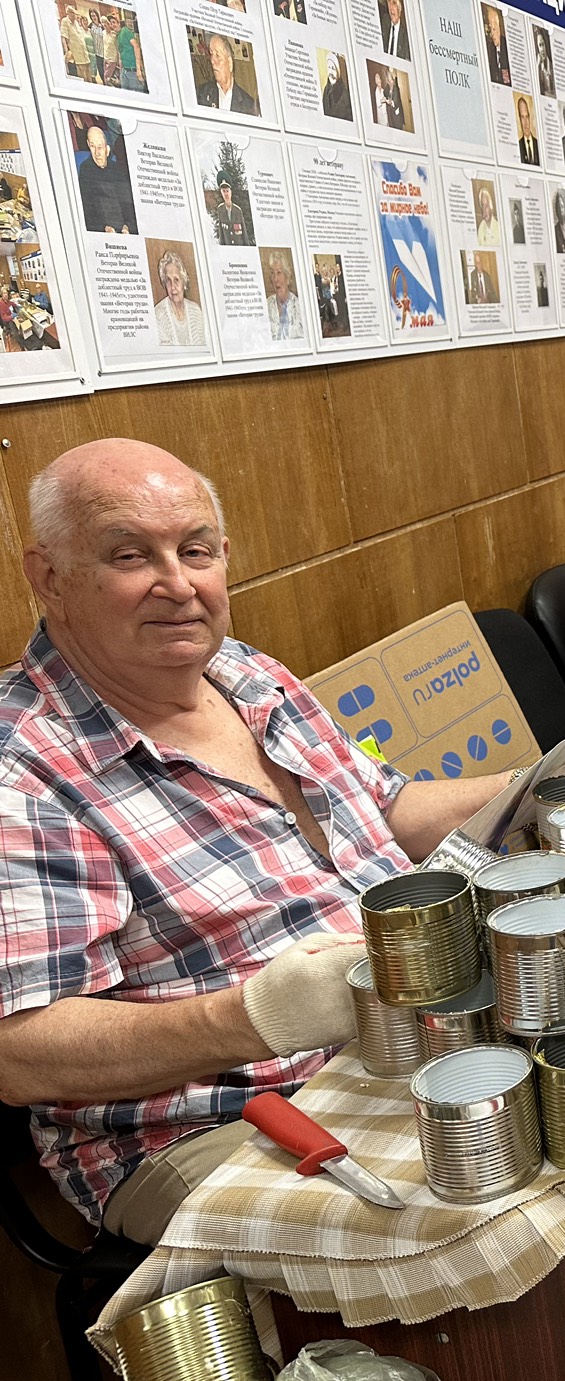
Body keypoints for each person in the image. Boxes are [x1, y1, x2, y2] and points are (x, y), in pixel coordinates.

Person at [0, 441, 513, 1239]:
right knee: (471, 1213)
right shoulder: (24, 770)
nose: (177, 584)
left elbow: (386, 809)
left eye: (195, 550)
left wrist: (538, 785)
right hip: (220, 1124)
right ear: (48, 577)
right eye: (130, 555)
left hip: (393, 1039)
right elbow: (20, 1052)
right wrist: (255, 1018)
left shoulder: (246, 675)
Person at [76, 125, 136, 234]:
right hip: (102, 230)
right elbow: (86, 208)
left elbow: (128, 203)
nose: (97, 153)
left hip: (124, 228)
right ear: (88, 145)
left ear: (107, 149)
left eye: (100, 147)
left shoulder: (118, 170)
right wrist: (103, 228)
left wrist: (128, 227)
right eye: (93, 146)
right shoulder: (86, 169)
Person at [152, 248, 206, 347]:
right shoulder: (158, 315)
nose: (173, 287)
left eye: (176, 280)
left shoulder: (196, 311)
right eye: (168, 280)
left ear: (184, 282)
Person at [196, 33, 257, 115]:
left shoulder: (248, 105)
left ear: (229, 63)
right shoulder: (202, 93)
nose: (212, 61)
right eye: (211, 54)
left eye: (217, 55)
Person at [265, 255, 306, 340]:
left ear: (288, 278)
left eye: (279, 273)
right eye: (272, 273)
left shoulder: (300, 306)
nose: (275, 279)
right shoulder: (266, 305)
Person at [210, 176, 251, 245]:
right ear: (221, 193)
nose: (226, 194)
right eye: (224, 191)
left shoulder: (238, 210)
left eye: (227, 191)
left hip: (239, 247)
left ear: (230, 192)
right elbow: (221, 232)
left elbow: (244, 233)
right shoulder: (220, 209)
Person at [314, 256, 348, 337]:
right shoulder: (321, 278)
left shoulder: (330, 279)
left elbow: (332, 287)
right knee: (326, 312)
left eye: (326, 270)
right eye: (324, 270)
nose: (325, 272)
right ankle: (329, 328)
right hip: (324, 297)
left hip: (331, 296)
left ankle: (336, 325)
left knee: (333, 310)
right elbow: (319, 288)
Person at [483, 4, 509, 85]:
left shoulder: (507, 48)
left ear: (499, 28)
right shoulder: (490, 49)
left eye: (494, 29)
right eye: (490, 29)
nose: (492, 34)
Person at [321, 52, 350, 119]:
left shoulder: (345, 95)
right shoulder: (326, 90)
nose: (331, 72)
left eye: (333, 69)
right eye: (329, 68)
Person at [516, 94, 539, 164]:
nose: (526, 122)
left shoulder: (538, 144)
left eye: (527, 116)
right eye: (522, 117)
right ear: (519, 119)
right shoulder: (518, 145)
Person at [474, 181, 500, 246]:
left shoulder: (498, 228)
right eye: (482, 206)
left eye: (487, 205)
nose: (484, 209)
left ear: (491, 207)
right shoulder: (480, 228)